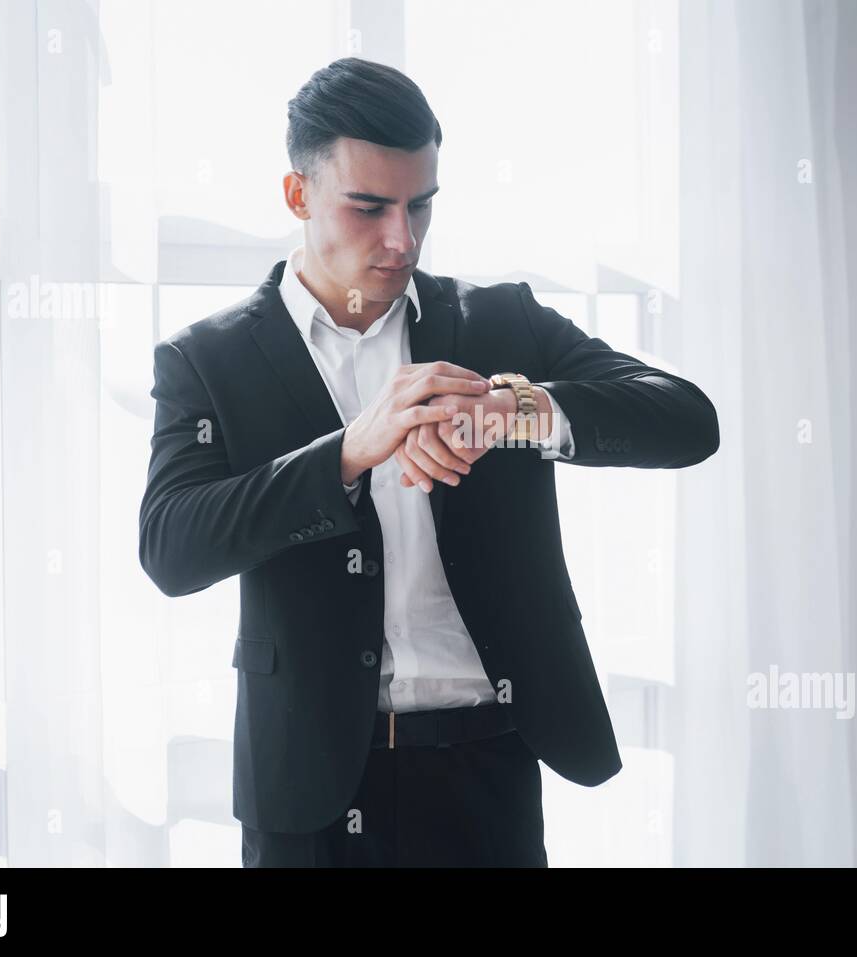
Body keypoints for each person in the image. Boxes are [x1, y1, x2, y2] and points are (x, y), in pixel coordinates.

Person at [138, 57, 719, 867]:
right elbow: (171, 546)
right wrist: (347, 452)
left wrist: (515, 409)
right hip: (308, 791)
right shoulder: (209, 359)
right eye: (369, 207)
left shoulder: (498, 323)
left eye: (421, 206)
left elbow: (687, 419)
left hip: (487, 766)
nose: (401, 239)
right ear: (298, 195)